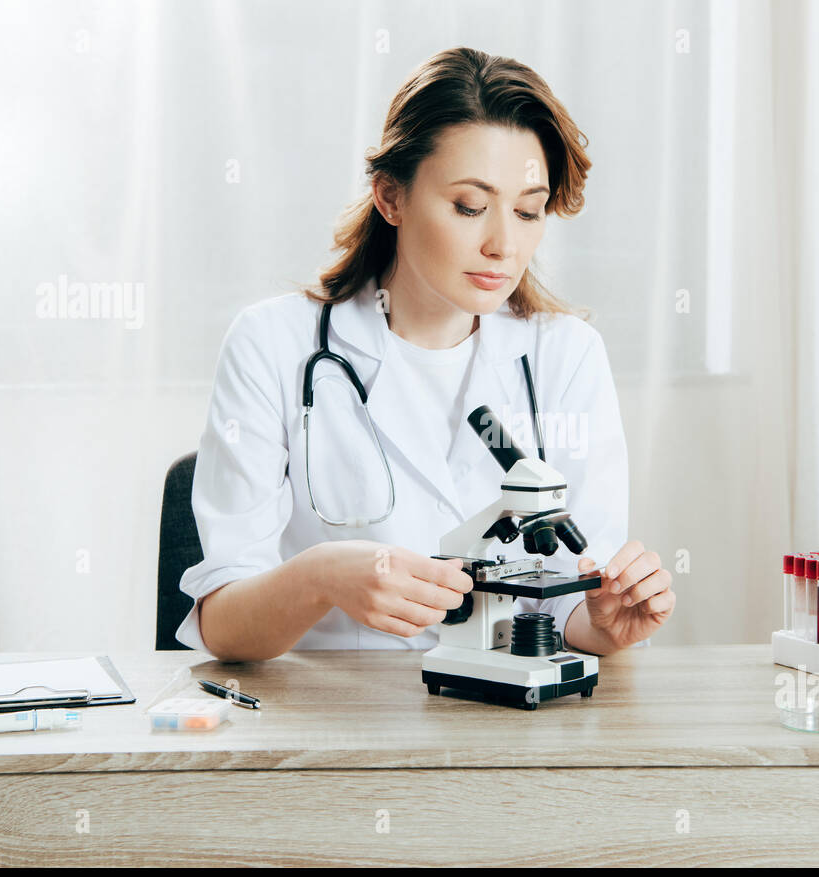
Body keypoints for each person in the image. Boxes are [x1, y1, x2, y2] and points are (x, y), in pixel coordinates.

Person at [176, 47, 676, 662]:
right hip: (335, 719)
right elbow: (224, 624)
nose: (503, 244)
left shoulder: (566, 355)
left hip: (507, 723)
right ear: (391, 197)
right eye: (470, 207)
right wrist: (321, 576)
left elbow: (573, 597)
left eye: (527, 211)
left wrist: (605, 623)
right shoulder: (274, 345)